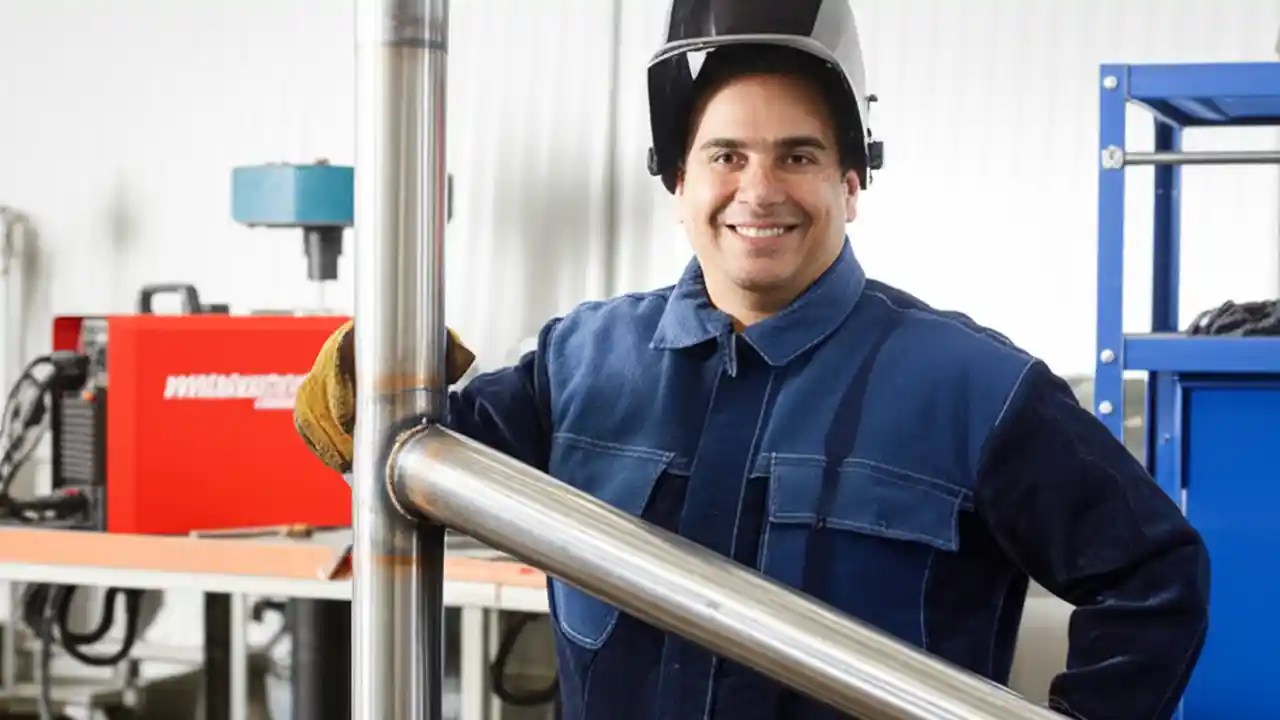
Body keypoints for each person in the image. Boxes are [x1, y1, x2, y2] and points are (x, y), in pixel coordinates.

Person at [294, 1, 1211, 718]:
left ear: (852, 186)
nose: (758, 190)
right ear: (677, 183)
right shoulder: (580, 363)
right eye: (724, 154)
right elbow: (397, 454)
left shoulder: (973, 388)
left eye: (799, 156)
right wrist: (372, 377)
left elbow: (1153, 575)